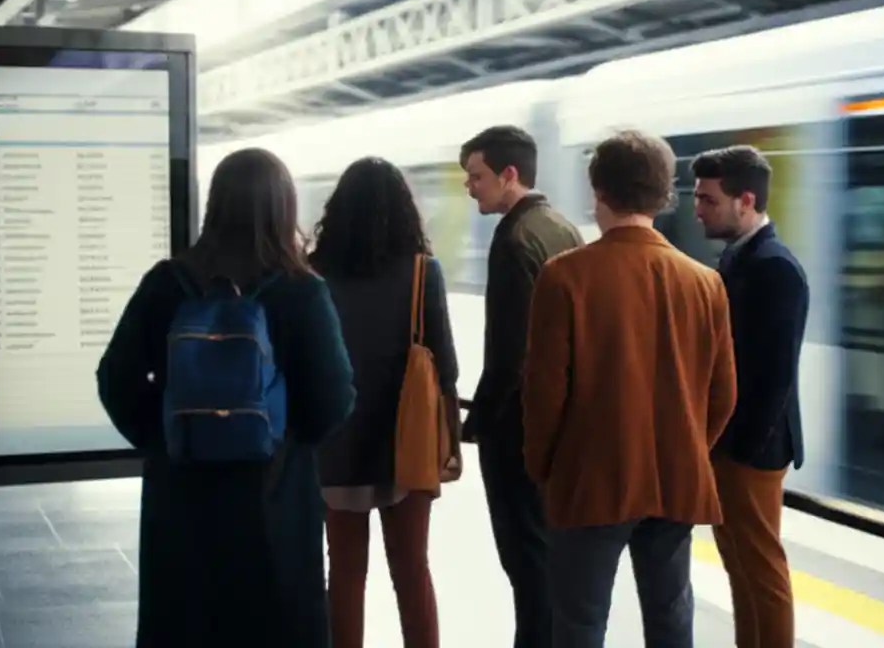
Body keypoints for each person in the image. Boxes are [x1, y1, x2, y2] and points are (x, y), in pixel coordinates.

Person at [96, 147, 356, 648]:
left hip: (182, 502)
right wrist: (283, 435)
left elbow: (115, 378)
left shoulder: (167, 284)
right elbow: (333, 398)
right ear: (284, 208)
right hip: (273, 504)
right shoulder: (301, 292)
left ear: (214, 205)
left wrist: (166, 435)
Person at [523, 130, 737, 648]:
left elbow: (544, 394)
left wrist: (544, 467)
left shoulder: (565, 277)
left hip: (591, 479)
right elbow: (724, 393)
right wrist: (686, 447)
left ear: (598, 191)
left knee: (579, 622)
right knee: (669, 617)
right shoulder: (705, 282)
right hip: (674, 480)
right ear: (665, 197)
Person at [311, 157, 460, 648]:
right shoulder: (423, 272)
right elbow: (446, 366)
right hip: (407, 442)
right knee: (412, 570)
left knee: (346, 574)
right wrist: (452, 443)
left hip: (336, 444)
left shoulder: (315, 274)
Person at [459, 125, 583, 648]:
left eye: (477, 176)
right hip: (561, 424)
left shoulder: (513, 240)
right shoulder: (563, 228)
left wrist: (477, 424)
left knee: (525, 560)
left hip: (519, 432)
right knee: (552, 561)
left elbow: (509, 353)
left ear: (510, 175)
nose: (470, 188)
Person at [692, 145, 810, 648]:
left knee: (761, 571)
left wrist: (736, 449)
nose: (697, 208)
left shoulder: (775, 267)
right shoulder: (740, 259)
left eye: (708, 200)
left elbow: (775, 375)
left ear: (745, 201)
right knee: (740, 567)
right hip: (730, 444)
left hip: (752, 450)